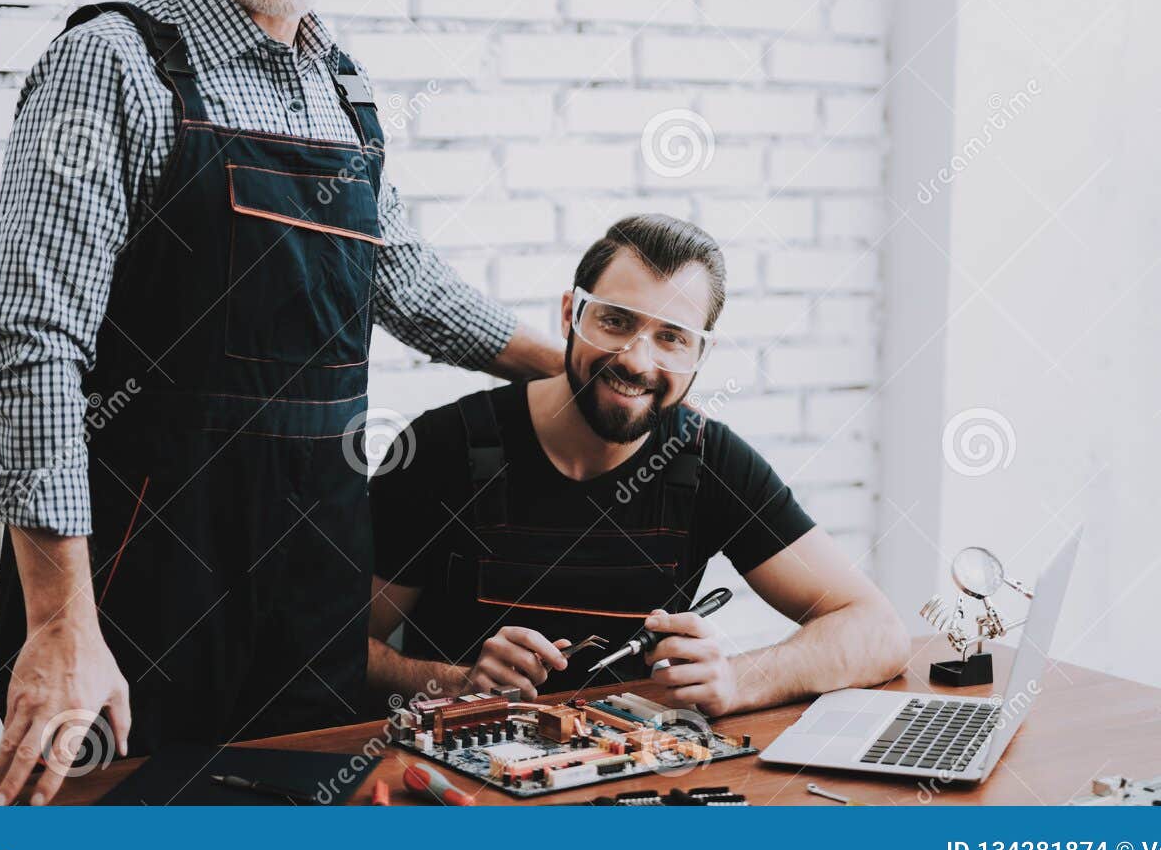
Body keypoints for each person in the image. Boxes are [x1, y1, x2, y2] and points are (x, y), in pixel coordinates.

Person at [0, 0, 559, 806]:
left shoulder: (344, 89)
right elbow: (33, 351)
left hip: (309, 582)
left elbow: (405, 279)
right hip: (139, 587)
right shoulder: (111, 65)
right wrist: (61, 625)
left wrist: (575, 363)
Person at [367, 214, 910, 714]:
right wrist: (457, 683)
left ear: (700, 356)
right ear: (569, 315)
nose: (636, 359)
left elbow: (877, 630)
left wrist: (741, 679)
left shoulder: (709, 461)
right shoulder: (440, 447)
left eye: (672, 338)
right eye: (616, 321)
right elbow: (323, 647)